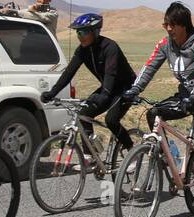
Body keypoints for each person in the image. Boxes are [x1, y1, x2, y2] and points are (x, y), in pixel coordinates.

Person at [122, 2, 194, 195]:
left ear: (184, 25)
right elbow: (150, 67)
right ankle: (172, 157)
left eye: (172, 25)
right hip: (184, 96)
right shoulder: (166, 44)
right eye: (166, 24)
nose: (168, 28)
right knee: (154, 114)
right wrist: (134, 90)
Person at [42, 13, 136, 161]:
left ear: (95, 31)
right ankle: (90, 155)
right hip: (107, 87)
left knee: (111, 120)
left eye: (84, 32)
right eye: (78, 32)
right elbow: (68, 73)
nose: (80, 36)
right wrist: (52, 92)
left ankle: (132, 151)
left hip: (126, 87)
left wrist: (104, 95)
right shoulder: (82, 50)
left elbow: (110, 73)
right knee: (84, 115)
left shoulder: (110, 47)